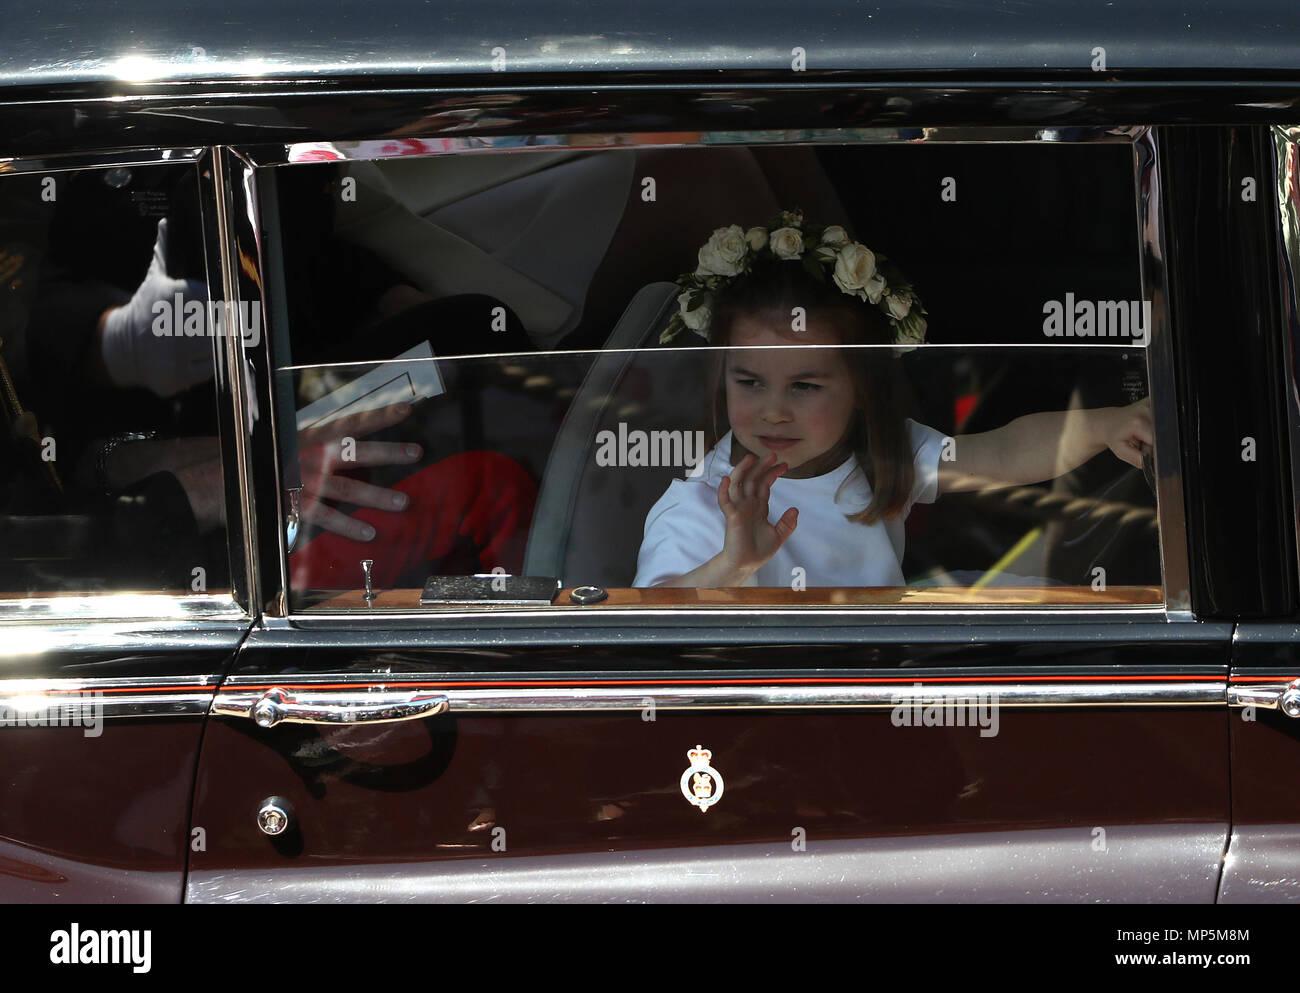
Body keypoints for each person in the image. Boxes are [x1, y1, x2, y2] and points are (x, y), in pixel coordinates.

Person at [633, 210, 1154, 589]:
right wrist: (733, 564)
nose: (774, 410)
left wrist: (1106, 425)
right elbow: (648, 622)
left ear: (860, 386)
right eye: (750, 382)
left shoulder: (878, 452)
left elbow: (1000, 454)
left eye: (805, 386)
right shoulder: (702, 502)